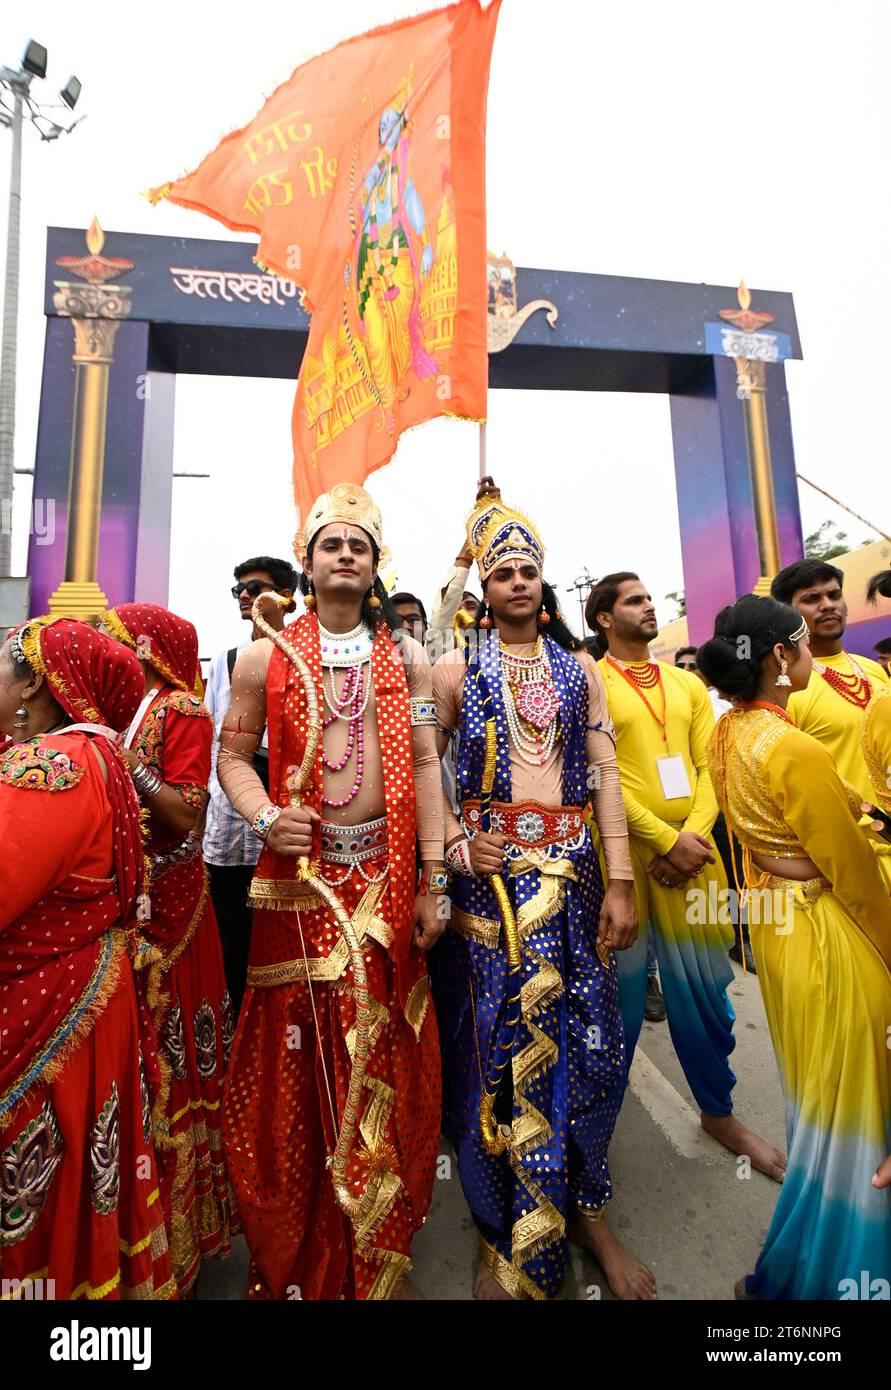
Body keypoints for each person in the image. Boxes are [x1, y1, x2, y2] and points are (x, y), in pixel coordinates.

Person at [217, 483, 445, 1301]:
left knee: (379, 1049)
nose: (345, 555)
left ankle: (377, 1245)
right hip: (301, 888)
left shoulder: (408, 656)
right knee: (299, 1058)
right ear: (307, 561)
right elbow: (232, 757)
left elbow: (423, 766)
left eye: (359, 545)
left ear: (376, 565)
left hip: (383, 881)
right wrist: (265, 813)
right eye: (330, 544)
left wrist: (435, 881)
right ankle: (305, 1241)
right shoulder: (262, 655)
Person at [433, 489, 653, 1302]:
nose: (518, 583)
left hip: (575, 879)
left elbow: (602, 775)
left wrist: (621, 879)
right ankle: (506, 1235)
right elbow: (426, 771)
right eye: (504, 573)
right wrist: (454, 846)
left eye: (529, 571)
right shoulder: (454, 670)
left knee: (591, 1045)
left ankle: (588, 1209)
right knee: (496, 1052)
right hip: (490, 888)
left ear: (543, 584)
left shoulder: (579, 670)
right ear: (485, 591)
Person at [699, 594, 891, 1300]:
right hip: (825, 931)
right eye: (804, 643)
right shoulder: (795, 747)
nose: (811, 654)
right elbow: (856, 878)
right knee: (854, 1111)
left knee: (815, 1105)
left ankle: (794, 1266)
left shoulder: (730, 733)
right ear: (780, 658)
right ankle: (836, 1274)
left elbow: (772, 834)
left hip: (778, 930)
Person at [0, 617, 175, 1299]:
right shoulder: (94, 758)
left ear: (34, 682)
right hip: (77, 998)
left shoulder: (56, 769)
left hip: (40, 1010)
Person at [587, 573, 782, 1179]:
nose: (649, 607)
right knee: (613, 1004)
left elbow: (707, 765)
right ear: (602, 619)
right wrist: (663, 840)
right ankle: (595, 1138)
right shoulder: (587, 681)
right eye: (634, 601)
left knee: (704, 995)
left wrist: (689, 839)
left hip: (695, 857)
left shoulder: (687, 683)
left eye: (649, 599)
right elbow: (598, 774)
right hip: (620, 859)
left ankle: (718, 1112)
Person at [103, 602, 234, 1296]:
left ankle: (181, 1238)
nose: (110, 649)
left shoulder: (180, 710)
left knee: (175, 1058)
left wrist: (127, 767)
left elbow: (187, 810)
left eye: (119, 639)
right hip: (126, 908)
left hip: (175, 909)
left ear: (149, 649)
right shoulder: (119, 708)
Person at [203, 556, 298, 1018]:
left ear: (286, 596)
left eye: (254, 587)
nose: (244, 595)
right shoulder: (225, 662)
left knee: (285, 948)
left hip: (291, 828)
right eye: (237, 588)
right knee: (234, 948)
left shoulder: (307, 656)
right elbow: (215, 748)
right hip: (229, 830)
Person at [770, 560, 889, 800]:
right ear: (787, 614)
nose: (828, 605)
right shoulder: (787, 687)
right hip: (847, 833)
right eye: (812, 599)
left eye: (834, 595)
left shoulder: (872, 670)